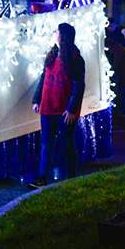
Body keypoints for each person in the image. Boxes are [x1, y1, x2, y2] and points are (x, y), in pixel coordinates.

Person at [30, 22, 85, 186]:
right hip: (47, 108)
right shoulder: (52, 54)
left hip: (63, 110)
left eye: (56, 31)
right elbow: (43, 78)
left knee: (66, 143)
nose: (54, 34)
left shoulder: (75, 58)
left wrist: (71, 108)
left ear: (63, 36)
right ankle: (41, 177)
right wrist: (36, 99)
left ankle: (71, 177)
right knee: (46, 144)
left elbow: (78, 85)